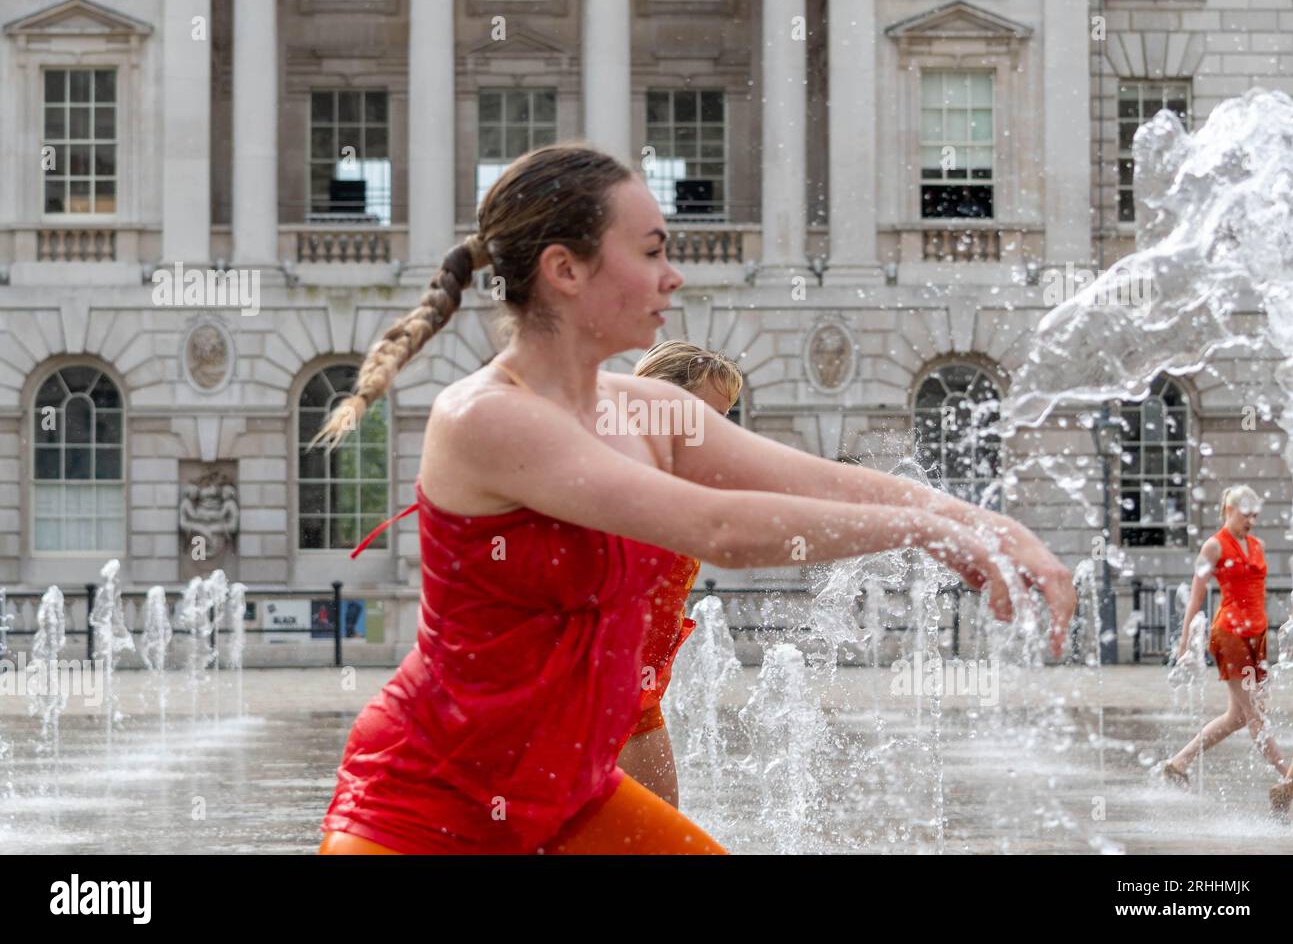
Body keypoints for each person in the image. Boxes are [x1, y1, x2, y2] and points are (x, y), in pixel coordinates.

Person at [316, 141, 1076, 855]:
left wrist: (986, 522)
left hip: (572, 793)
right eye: (650, 252)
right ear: (565, 270)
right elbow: (721, 529)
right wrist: (924, 532)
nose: (672, 275)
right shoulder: (486, 416)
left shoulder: (645, 409)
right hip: (429, 804)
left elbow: (814, 478)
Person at [616, 340, 743, 807]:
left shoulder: (685, 476)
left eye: (725, 417)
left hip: (639, 698)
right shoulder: (618, 467)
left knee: (664, 838)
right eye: (706, 415)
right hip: (581, 696)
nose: (718, 431)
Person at [1160, 485, 1286, 791]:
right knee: (1255, 712)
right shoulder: (1213, 546)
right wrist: (1184, 644)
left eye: (1255, 515)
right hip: (1229, 635)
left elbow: (1259, 594)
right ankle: (1290, 777)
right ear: (1229, 510)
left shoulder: (1258, 545)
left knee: (1237, 717)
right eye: (1246, 515)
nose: (1251, 521)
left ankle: (1179, 763)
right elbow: (1196, 597)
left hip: (1256, 636)